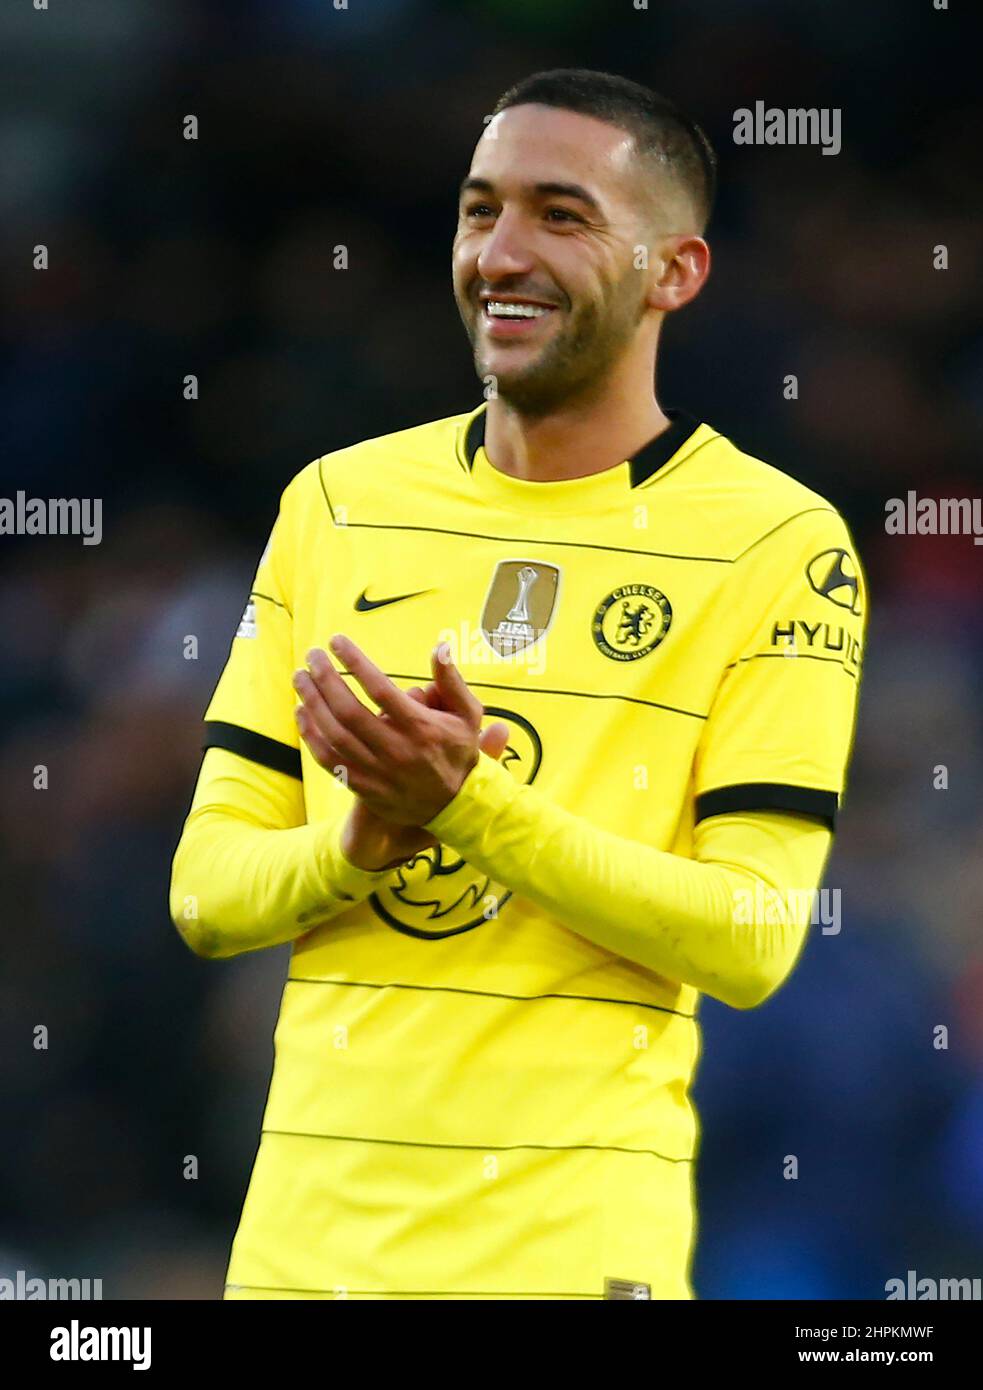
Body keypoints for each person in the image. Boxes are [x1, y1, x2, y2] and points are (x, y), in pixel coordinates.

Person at [170, 68, 866, 1300]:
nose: (500, 251)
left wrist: (466, 805)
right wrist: (359, 843)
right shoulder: (335, 503)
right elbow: (206, 894)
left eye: (561, 213)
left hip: (567, 1258)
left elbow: (755, 937)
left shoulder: (776, 543)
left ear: (675, 272)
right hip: (298, 1260)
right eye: (478, 209)